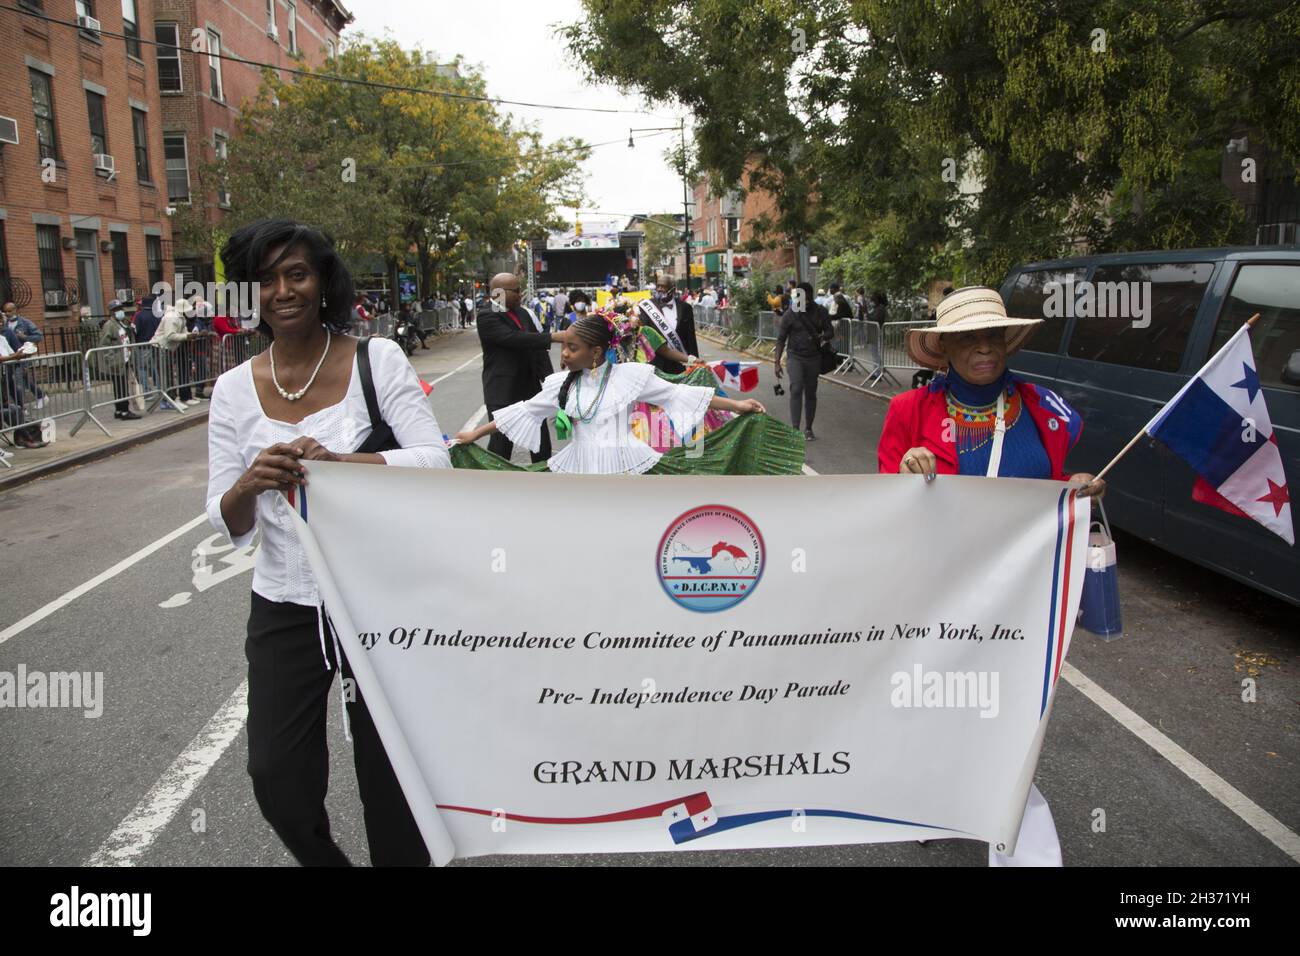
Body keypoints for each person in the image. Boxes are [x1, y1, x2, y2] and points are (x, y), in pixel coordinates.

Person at [207, 218, 450, 868]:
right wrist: (251, 483)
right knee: (276, 782)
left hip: (378, 602)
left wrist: (345, 465)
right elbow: (225, 517)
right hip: (284, 605)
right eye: (264, 279)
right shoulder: (231, 391)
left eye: (297, 273)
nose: (282, 290)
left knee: (391, 781)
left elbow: (436, 462)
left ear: (323, 283)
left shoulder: (377, 360)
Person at [877, 286, 1105, 868]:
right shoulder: (911, 412)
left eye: (993, 336)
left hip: (1023, 593)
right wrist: (906, 473)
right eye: (968, 339)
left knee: (1014, 713)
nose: (984, 348)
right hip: (940, 592)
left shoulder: (1044, 407)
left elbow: (1054, 481)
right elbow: (878, 505)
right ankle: (939, 798)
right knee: (947, 703)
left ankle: (1022, 842)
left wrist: (1077, 489)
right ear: (945, 348)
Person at [454, 315, 777, 475]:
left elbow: (678, 394)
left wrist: (736, 403)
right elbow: (523, 411)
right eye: (563, 346)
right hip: (580, 465)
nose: (563, 353)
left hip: (626, 464)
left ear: (595, 352)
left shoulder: (630, 377)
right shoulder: (561, 385)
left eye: (572, 347)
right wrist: (474, 433)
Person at [477, 272, 566, 463]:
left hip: (530, 389)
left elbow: (537, 350)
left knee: (542, 444)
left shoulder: (524, 313)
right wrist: (554, 337)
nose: (520, 294)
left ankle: (544, 479)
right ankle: (496, 484)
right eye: (516, 291)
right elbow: (513, 338)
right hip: (503, 391)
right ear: (499, 292)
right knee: (501, 444)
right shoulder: (487, 316)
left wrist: (551, 382)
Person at [773, 281, 834, 441]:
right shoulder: (791, 313)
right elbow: (781, 339)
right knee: (796, 388)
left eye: (805, 297)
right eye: (799, 296)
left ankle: (808, 428)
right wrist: (777, 362)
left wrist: (822, 336)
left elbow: (830, 331)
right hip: (795, 356)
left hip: (813, 357)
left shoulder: (820, 311)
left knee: (811, 392)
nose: (802, 301)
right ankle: (795, 429)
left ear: (810, 296)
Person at [645, 274, 700, 376]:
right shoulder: (648, 307)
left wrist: (695, 363)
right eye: (658, 286)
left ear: (673, 288)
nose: (660, 289)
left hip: (679, 363)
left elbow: (690, 337)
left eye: (664, 286)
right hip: (656, 362)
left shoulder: (685, 308)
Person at [97, 299, 141, 420]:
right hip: (116, 361)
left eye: (120, 309)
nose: (119, 311)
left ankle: (119, 410)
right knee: (120, 386)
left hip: (125, 359)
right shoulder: (109, 325)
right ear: (111, 312)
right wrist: (111, 360)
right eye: (116, 310)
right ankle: (124, 410)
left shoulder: (122, 322)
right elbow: (104, 344)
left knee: (121, 385)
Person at [3, 302, 47, 408]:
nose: (7, 313)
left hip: (23, 355)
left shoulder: (25, 322)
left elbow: (38, 336)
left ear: (15, 310)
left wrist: (24, 337)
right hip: (10, 355)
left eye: (10, 311)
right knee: (23, 379)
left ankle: (22, 407)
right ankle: (41, 396)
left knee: (19, 380)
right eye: (6, 311)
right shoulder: (4, 324)